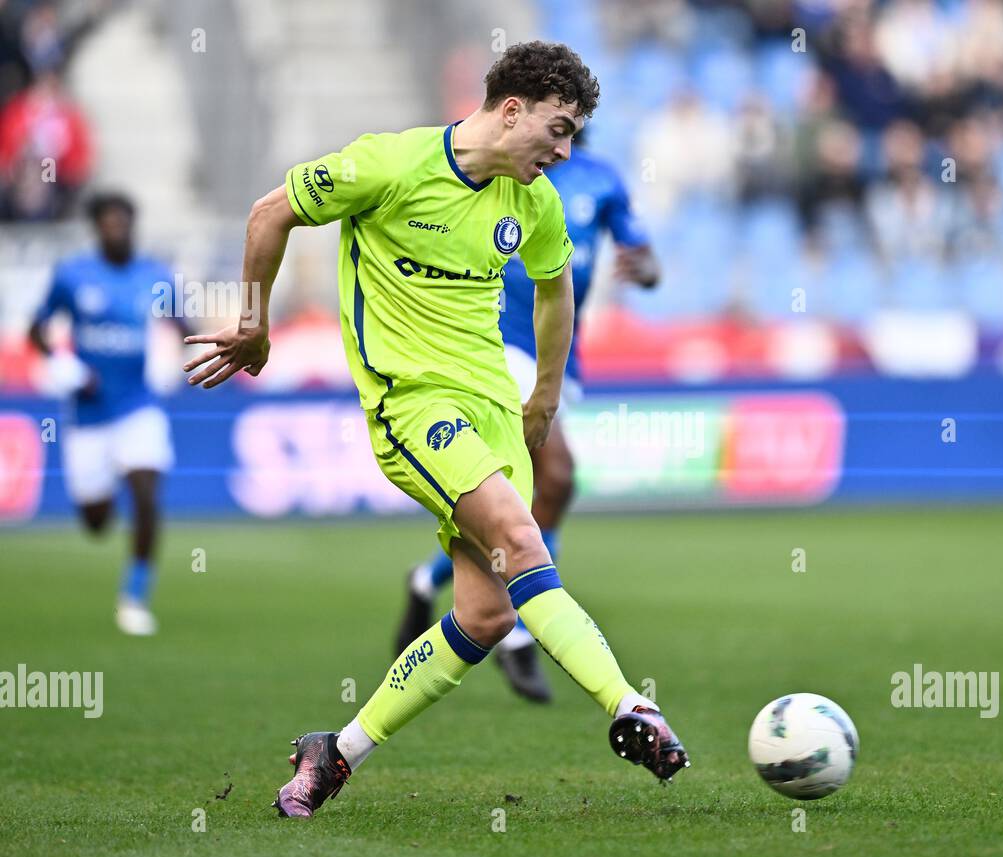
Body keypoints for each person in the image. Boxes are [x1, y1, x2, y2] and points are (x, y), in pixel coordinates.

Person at [181, 41, 689, 817]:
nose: (565, 150)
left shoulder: (536, 201)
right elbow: (270, 212)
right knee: (526, 544)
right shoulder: (388, 165)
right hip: (413, 407)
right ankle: (629, 707)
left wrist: (545, 395)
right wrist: (254, 321)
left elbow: (556, 291)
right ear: (511, 109)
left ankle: (335, 752)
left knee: (487, 614)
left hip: (495, 410)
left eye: (575, 136)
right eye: (558, 130)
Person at [392, 126, 659, 702]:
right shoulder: (504, 172)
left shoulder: (601, 179)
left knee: (537, 499)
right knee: (555, 476)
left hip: (561, 349)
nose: (561, 131)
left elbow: (644, 257)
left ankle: (428, 579)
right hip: (502, 341)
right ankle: (515, 634)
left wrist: (646, 271)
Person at [28, 192, 178, 634]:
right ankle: (105, 487)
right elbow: (36, 329)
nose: (118, 230)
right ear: (97, 228)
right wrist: (63, 363)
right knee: (95, 522)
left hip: (139, 405)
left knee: (146, 492)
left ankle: (134, 596)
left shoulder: (156, 276)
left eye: (125, 222)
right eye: (110, 223)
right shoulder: (72, 276)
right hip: (88, 413)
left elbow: (184, 324)